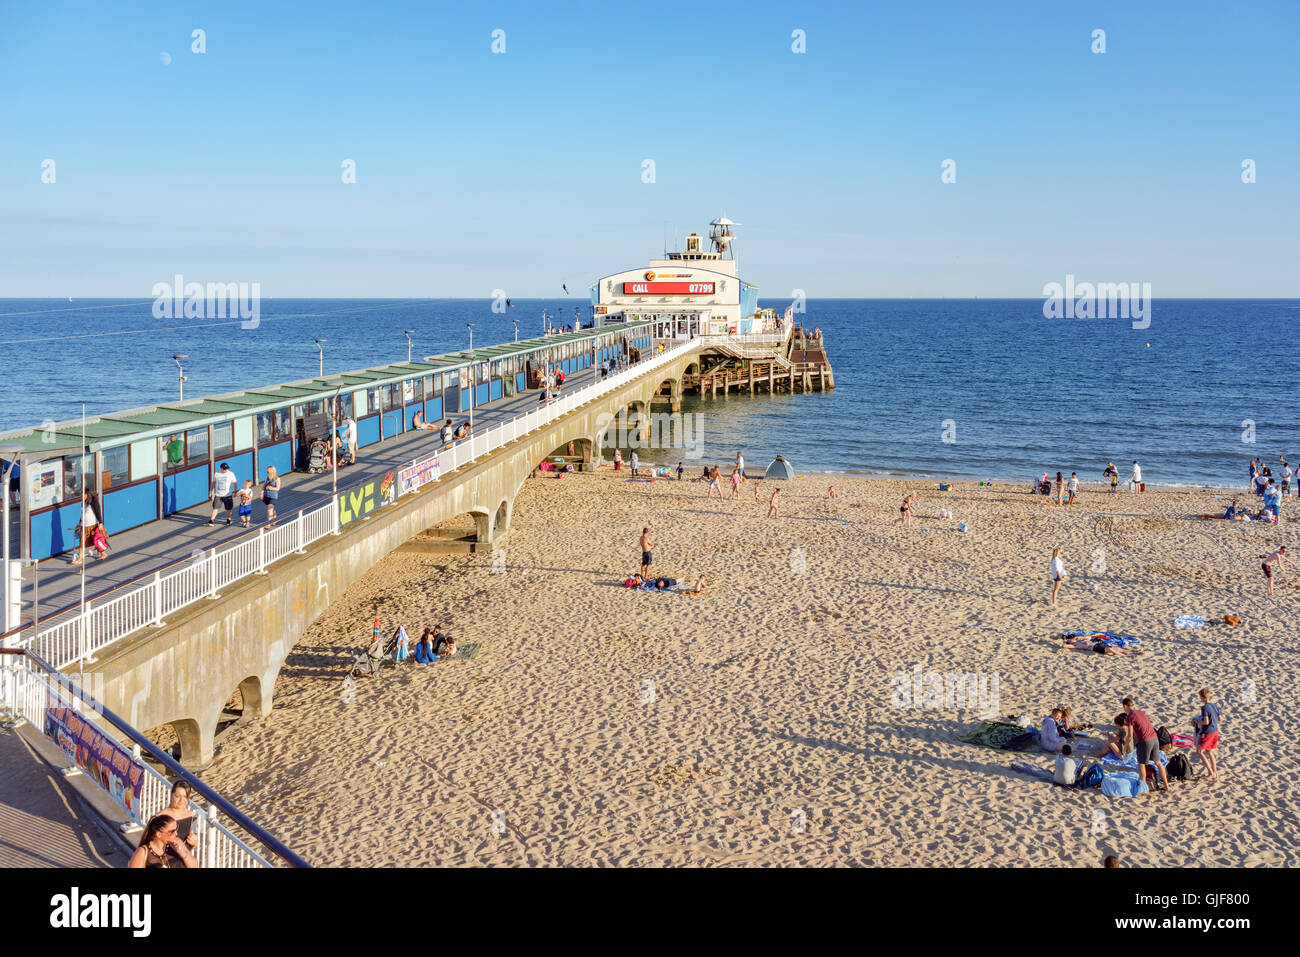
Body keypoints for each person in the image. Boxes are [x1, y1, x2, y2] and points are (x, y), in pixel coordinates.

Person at [1121, 697, 1168, 791]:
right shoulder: (1140, 712)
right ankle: (1166, 786)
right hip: (1154, 738)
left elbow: (1130, 736)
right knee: (1158, 763)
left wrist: (1125, 747)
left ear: (1125, 706)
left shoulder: (1130, 716)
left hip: (1145, 741)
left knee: (1141, 764)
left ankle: (1142, 787)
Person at [128, 813, 199, 868]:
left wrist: (183, 854)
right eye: (172, 831)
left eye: (176, 829)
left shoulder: (177, 842)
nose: (176, 833)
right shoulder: (143, 852)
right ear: (158, 834)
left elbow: (195, 866)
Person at [161, 781, 201, 863]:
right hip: (163, 862)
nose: (181, 800)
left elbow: (193, 845)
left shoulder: (193, 817)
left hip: (184, 861)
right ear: (171, 795)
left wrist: (195, 843)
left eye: (185, 796)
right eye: (177, 796)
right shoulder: (161, 817)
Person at [71, 490, 108, 565]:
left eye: (83, 495)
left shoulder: (94, 501)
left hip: (92, 525)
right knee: (82, 542)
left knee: (96, 540)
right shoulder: (83, 502)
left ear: (87, 494)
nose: (82, 497)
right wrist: (79, 522)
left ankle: (103, 553)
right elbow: (83, 514)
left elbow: (98, 512)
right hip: (84, 525)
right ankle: (80, 558)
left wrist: (100, 523)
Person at [1193, 688, 1220, 781]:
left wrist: (1197, 722)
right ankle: (1215, 772)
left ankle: (1211, 773)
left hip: (1207, 733)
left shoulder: (1204, 708)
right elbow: (1220, 719)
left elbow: (1206, 721)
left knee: (1199, 751)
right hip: (1215, 731)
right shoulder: (1214, 705)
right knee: (1209, 751)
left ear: (1202, 697)